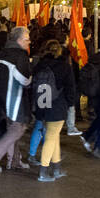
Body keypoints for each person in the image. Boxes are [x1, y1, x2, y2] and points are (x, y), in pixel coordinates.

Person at [0, 26, 32, 172]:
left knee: (12, 127)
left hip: (2, 96)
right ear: (18, 40)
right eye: (26, 39)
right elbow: (25, 80)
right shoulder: (20, 56)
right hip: (15, 97)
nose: (29, 42)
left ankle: (14, 160)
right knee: (17, 128)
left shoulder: (3, 53)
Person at [32, 38, 75, 182]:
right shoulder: (64, 67)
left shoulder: (39, 65)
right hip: (57, 105)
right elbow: (70, 88)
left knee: (53, 136)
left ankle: (56, 168)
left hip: (41, 104)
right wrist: (70, 104)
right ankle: (43, 171)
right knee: (51, 137)